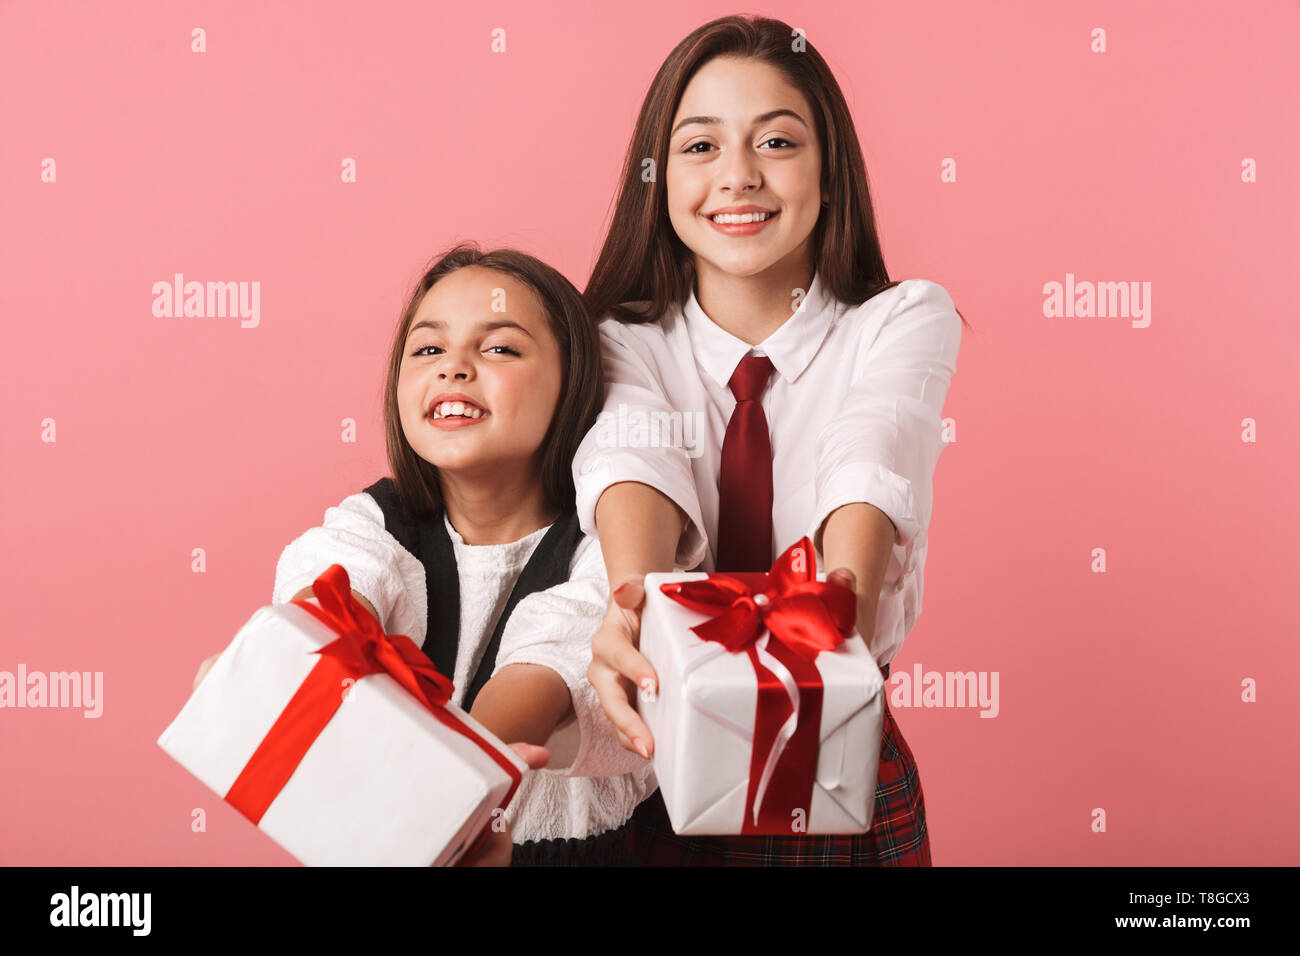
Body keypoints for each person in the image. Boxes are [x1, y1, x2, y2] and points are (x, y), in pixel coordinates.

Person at [572, 15, 971, 865]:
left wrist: (835, 626)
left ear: (832, 175)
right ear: (659, 177)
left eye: (778, 142)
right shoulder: (615, 339)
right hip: (656, 747)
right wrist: (633, 610)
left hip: (832, 747)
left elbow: (871, 452)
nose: (738, 177)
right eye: (701, 147)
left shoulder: (901, 321)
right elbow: (632, 457)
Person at [194, 242, 653, 865]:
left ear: (572, 383)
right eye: (429, 348)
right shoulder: (377, 524)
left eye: (499, 348)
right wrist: (277, 665)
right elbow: (335, 594)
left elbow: (537, 680)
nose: (454, 367)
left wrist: (455, 799)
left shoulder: (609, 544)